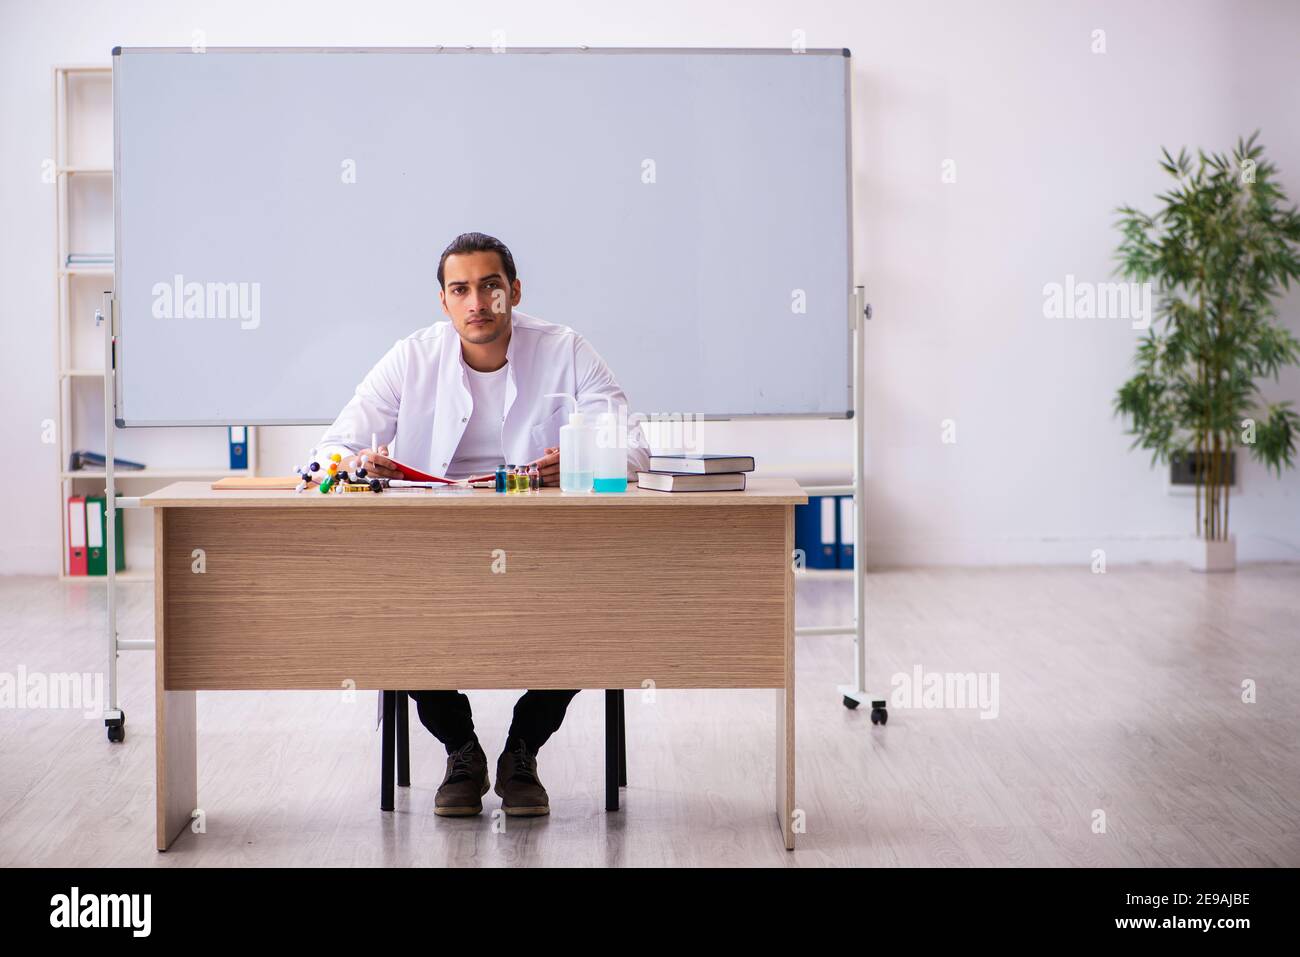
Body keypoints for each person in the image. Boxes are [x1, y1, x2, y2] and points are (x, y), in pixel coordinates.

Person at [310, 232, 649, 816]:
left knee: (592, 612)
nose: (478, 303)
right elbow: (333, 449)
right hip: (435, 546)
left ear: (514, 291)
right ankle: (461, 748)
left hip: (542, 546)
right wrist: (362, 460)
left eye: (491, 287)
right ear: (443, 302)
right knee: (392, 614)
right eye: (461, 290)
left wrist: (588, 457)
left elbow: (635, 448)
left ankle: (523, 748)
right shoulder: (411, 358)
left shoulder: (565, 349)